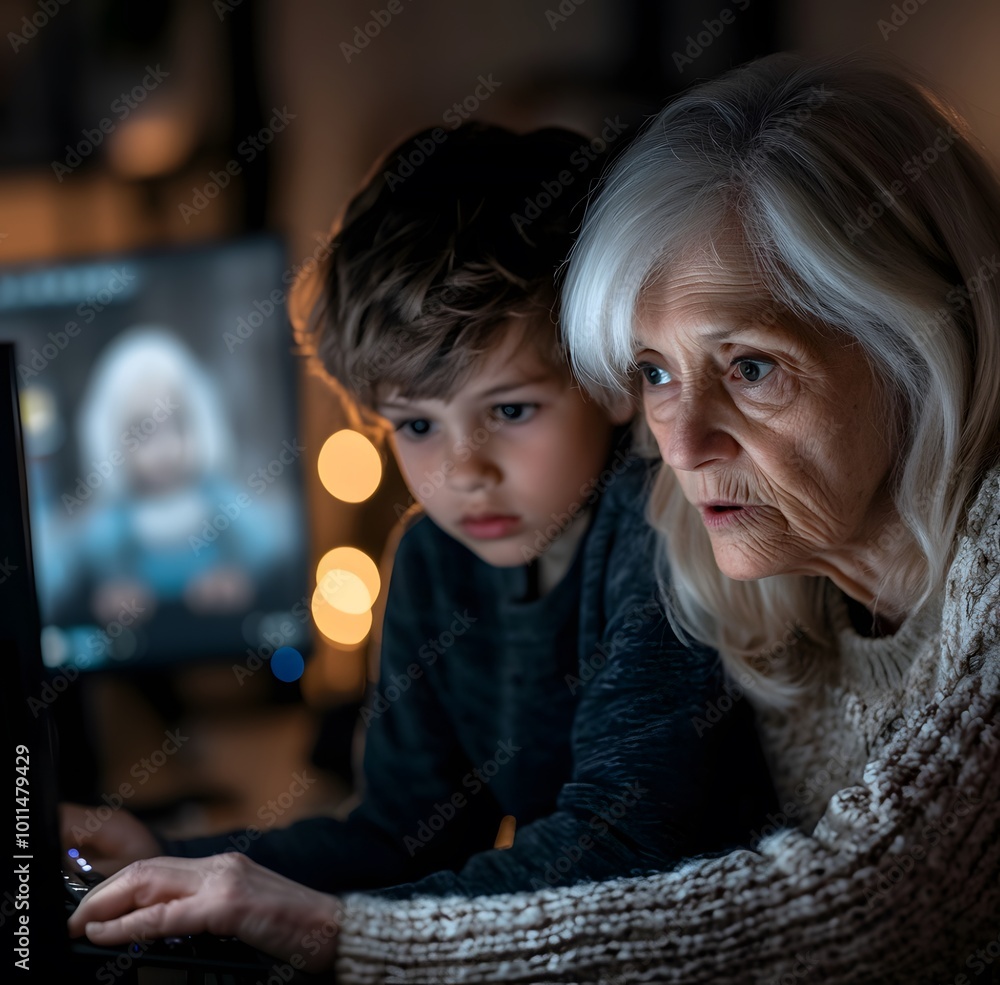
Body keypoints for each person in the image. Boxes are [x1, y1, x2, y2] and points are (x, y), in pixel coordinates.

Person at [63, 122, 775, 917]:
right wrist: (168, 859)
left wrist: (336, 928)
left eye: (510, 408)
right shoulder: (435, 562)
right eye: (416, 424)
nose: (463, 470)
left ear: (612, 377)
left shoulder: (663, 529)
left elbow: (620, 850)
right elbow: (401, 839)